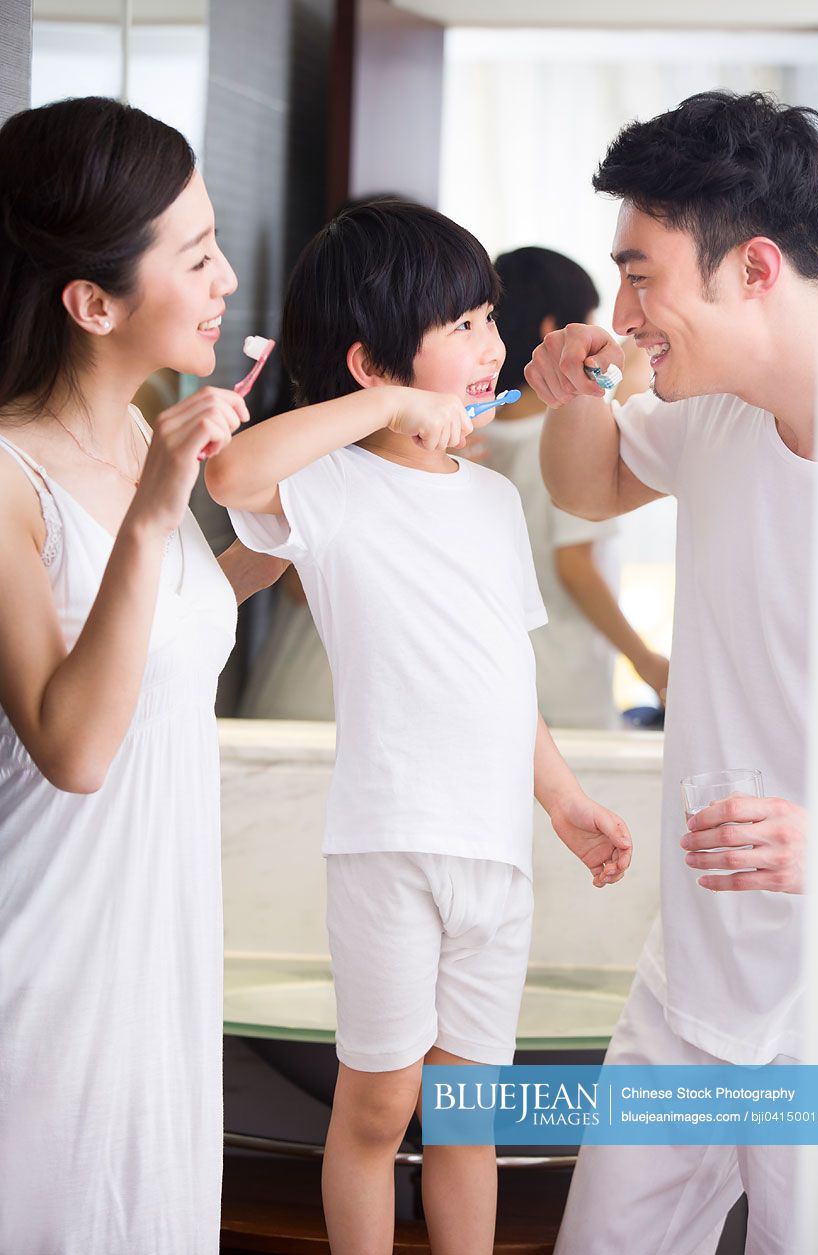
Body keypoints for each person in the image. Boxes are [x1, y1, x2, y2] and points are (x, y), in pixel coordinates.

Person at [205, 199, 634, 1255]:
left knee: (466, 1118)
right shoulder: (329, 483)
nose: (496, 345)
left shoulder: (490, 503)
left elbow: (506, 674)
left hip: (497, 854)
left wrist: (565, 795)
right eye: (468, 326)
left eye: (492, 319)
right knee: (378, 1104)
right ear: (374, 364)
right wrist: (383, 406)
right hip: (390, 843)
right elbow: (231, 473)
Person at [0, 96, 292, 1254]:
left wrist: (309, 515)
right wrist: (153, 513)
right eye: (199, 254)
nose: (226, 280)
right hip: (50, 955)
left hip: (158, 946)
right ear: (91, 301)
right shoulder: (11, 474)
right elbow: (73, 746)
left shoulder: (146, 433)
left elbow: (177, 620)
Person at [526, 91, 816, 1255]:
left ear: (752, 268)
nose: (627, 312)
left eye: (642, 276)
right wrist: (578, 388)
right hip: (693, 976)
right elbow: (587, 489)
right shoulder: (718, 418)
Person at [485, 245, 668, 728]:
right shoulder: (560, 437)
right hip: (564, 679)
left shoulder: (477, 434)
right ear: (556, 332)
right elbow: (576, 567)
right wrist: (648, 664)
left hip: (499, 671)